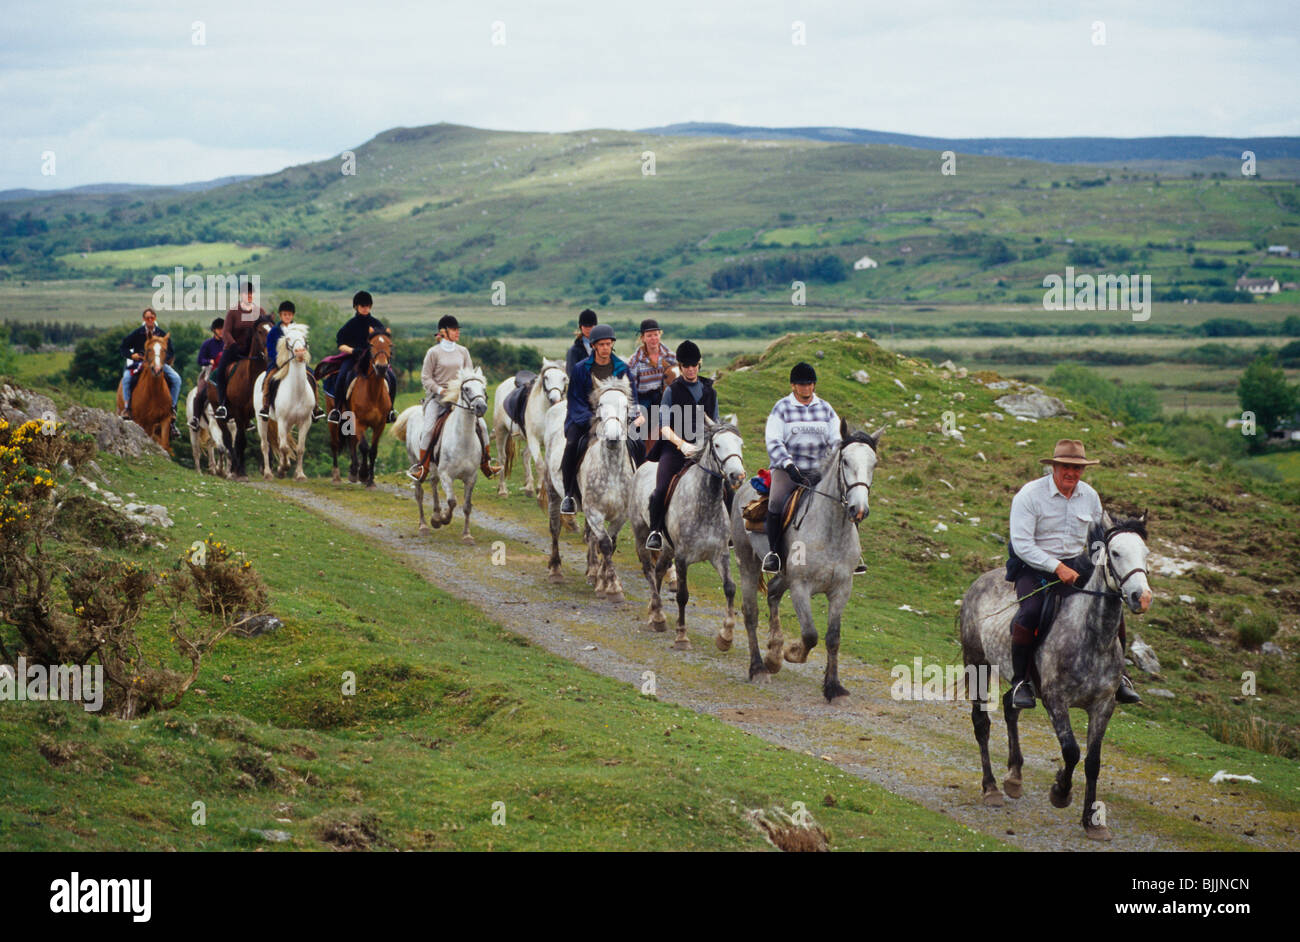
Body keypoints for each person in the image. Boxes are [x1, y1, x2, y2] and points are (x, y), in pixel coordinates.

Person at [1007, 439, 1141, 708]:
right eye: (1066, 467)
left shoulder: (1089, 495)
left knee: (1111, 607)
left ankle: (1120, 677)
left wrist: (1095, 563)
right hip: (1033, 567)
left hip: (1076, 564)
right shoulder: (1029, 495)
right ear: (1055, 466)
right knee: (1031, 612)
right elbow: (1022, 544)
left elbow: (1098, 535)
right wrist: (1056, 567)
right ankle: (1020, 682)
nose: (1072, 473)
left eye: (1078, 468)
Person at [760, 362, 842, 574]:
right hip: (788, 469)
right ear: (793, 386)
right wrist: (788, 465)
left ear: (814, 385)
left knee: (846, 499)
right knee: (776, 501)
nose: (806, 388)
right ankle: (775, 553)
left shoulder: (826, 408)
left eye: (809, 384)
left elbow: (836, 439)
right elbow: (773, 441)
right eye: (801, 384)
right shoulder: (781, 408)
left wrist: (831, 464)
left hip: (819, 470)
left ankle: (852, 552)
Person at [559, 323, 643, 515]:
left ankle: (639, 491)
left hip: (617, 419)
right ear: (594, 346)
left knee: (637, 443)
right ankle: (569, 494)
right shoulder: (581, 369)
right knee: (573, 444)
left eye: (608, 344)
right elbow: (575, 401)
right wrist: (594, 420)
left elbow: (631, 397)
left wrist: (632, 416)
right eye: (602, 344)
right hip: (585, 419)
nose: (605, 348)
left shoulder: (622, 368)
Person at [406, 314, 501, 482]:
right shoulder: (433, 353)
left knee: (483, 427)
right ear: (443, 332)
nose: (457, 332)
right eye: (454, 329)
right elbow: (425, 377)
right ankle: (423, 467)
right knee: (428, 429)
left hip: (460, 400)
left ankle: (486, 464)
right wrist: (440, 390)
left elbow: (470, 375)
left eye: (458, 330)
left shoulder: (463, 351)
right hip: (437, 399)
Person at [645, 340, 716, 551]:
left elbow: (715, 423)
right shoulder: (672, 391)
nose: (691, 369)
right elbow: (664, 426)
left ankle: (728, 531)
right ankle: (655, 531)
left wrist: (706, 442)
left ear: (699, 364)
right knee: (661, 489)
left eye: (694, 365)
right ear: (681, 367)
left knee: (727, 484)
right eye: (686, 366)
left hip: (703, 448)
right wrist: (682, 444)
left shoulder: (710, 391)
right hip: (674, 448)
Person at [326, 291, 398, 425]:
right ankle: (337, 409)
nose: (365, 308)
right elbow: (341, 344)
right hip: (354, 358)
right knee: (342, 376)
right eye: (362, 306)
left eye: (367, 306)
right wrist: (353, 350)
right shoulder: (350, 325)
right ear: (356, 307)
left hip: (373, 360)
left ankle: (390, 410)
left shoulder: (377, 324)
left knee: (392, 378)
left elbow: (384, 343)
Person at [258, 301, 326, 422]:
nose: (287, 317)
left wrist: (302, 356)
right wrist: (279, 361)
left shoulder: (298, 329)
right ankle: (266, 406)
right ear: (280, 315)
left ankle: (316, 407)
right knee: (268, 378)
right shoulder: (274, 331)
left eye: (289, 314)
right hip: (278, 362)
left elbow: (304, 344)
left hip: (297, 362)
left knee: (312, 377)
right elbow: (271, 349)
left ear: (293, 315)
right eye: (285, 314)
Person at [213, 283, 271, 421]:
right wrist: (233, 345)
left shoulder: (260, 311)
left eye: (251, 294)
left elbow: (264, 329)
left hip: (254, 351)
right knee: (220, 372)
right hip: (234, 349)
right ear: (241, 295)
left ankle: (269, 403)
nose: (249, 296)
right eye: (246, 294)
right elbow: (226, 331)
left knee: (272, 370)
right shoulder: (233, 312)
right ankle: (223, 405)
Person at [119, 307, 181, 438]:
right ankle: (127, 408)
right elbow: (123, 346)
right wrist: (132, 355)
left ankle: (172, 409)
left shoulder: (161, 333)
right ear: (144, 319)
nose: (150, 320)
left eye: (152, 318)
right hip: (139, 362)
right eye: (147, 318)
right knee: (126, 379)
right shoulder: (138, 333)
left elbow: (171, 351)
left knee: (176, 379)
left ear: (155, 319)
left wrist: (164, 359)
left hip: (158, 363)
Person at [626, 318, 678, 465]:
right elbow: (630, 390)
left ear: (660, 335)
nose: (653, 339)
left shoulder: (671, 356)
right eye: (649, 336)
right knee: (637, 431)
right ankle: (638, 462)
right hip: (642, 398)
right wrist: (637, 412)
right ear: (642, 338)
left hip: (664, 397)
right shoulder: (634, 361)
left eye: (656, 334)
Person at [189, 317, 224, 431]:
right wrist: (209, 361)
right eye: (219, 329)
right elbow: (200, 360)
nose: (221, 331)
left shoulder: (228, 343)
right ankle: (195, 419)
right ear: (214, 330)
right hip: (209, 371)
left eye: (223, 328)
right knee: (200, 393)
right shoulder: (207, 344)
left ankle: (246, 419)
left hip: (225, 371)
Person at [565, 308, 598, 378]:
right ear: (581, 327)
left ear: (595, 326)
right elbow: (571, 373)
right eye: (585, 326)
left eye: (591, 326)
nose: (588, 329)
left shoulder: (603, 346)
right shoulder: (573, 351)